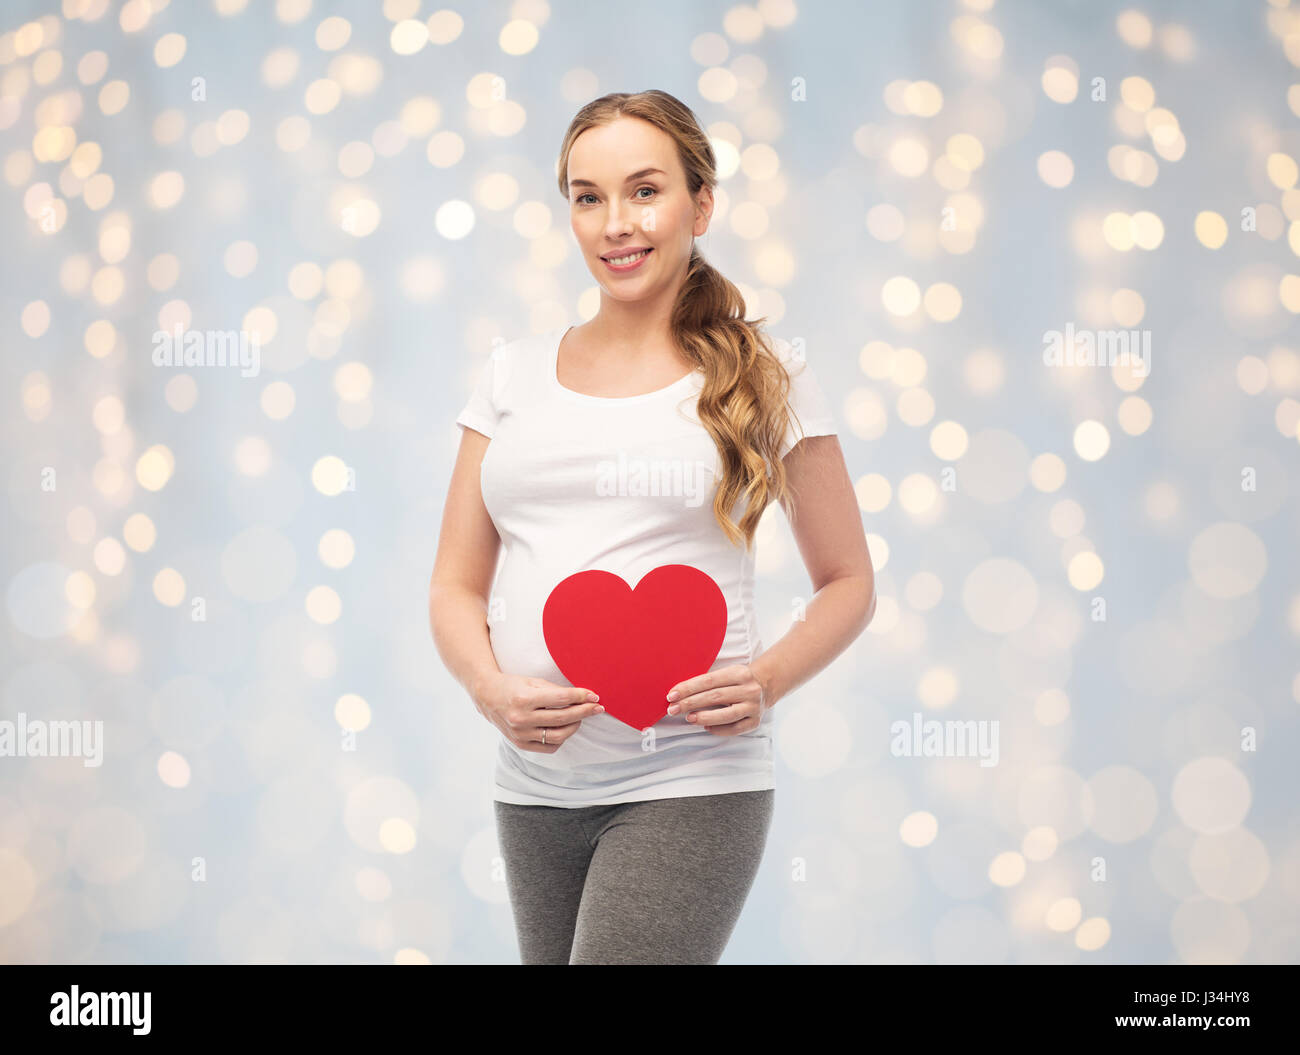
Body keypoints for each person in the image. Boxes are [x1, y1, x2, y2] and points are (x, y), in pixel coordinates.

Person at [430, 89, 874, 964]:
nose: (614, 224)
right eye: (587, 196)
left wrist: (768, 677)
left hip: (691, 778)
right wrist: (490, 688)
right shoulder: (511, 376)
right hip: (534, 789)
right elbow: (453, 584)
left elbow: (849, 580)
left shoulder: (766, 371)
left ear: (700, 204)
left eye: (644, 190)